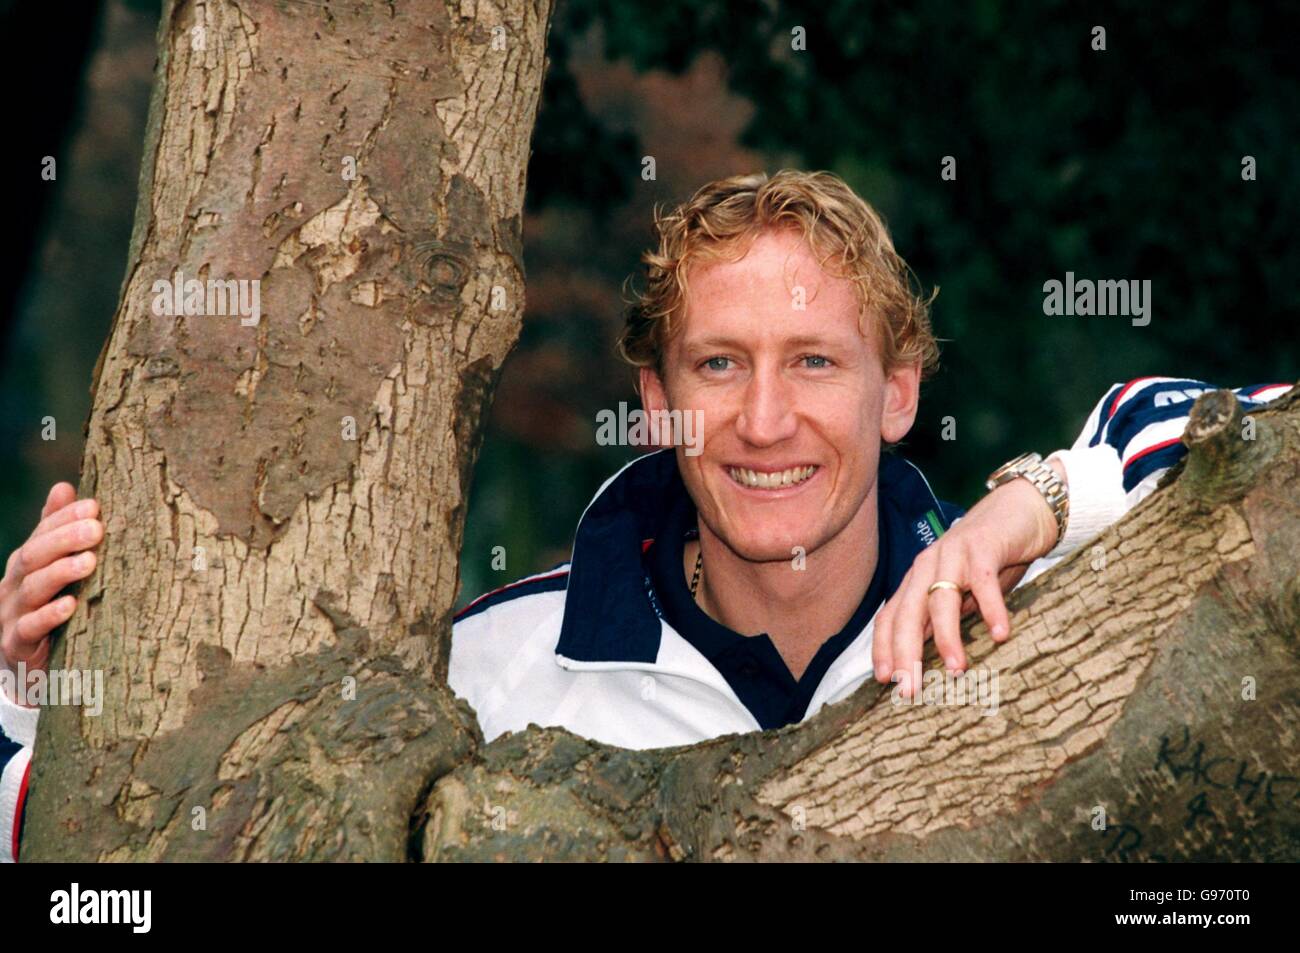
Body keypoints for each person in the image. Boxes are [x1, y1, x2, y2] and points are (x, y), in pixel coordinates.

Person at [0, 170, 1289, 862]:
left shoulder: (1032, 614)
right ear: (658, 400)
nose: (766, 419)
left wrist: (1036, 506)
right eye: (719, 366)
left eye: (817, 363)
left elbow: (1263, 438)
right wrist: (33, 701)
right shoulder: (485, 670)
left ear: (899, 391)